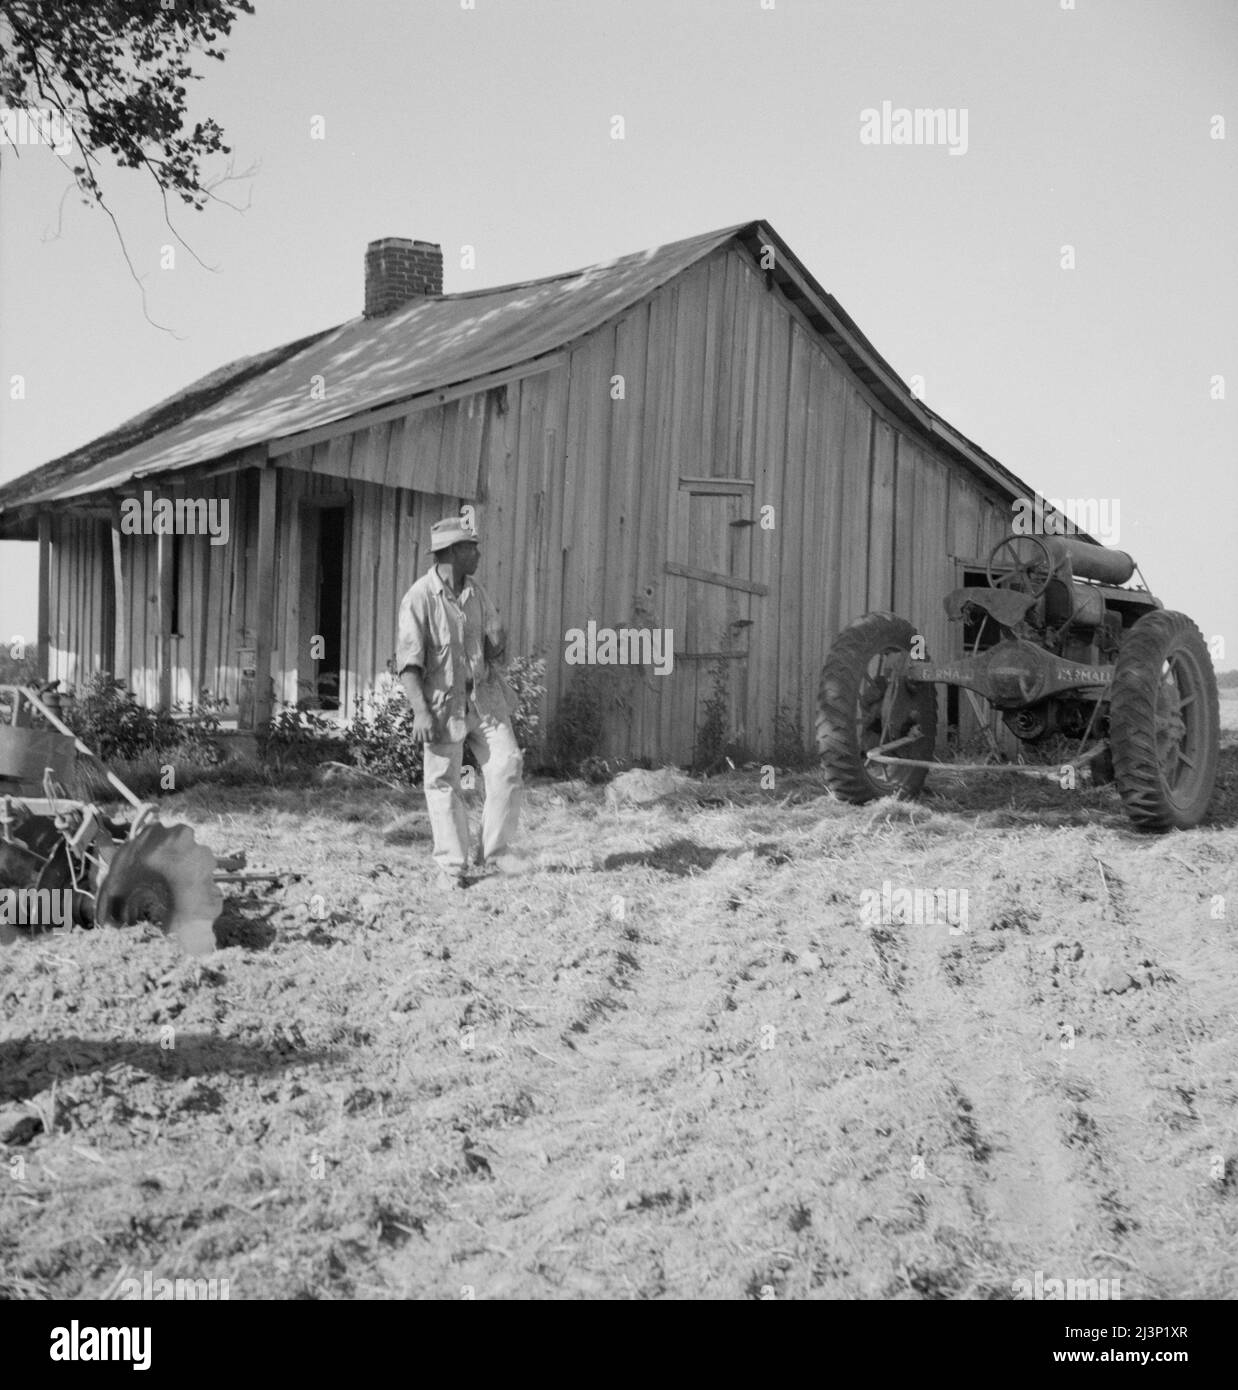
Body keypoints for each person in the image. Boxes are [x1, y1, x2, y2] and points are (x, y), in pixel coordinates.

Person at [395, 517, 524, 888]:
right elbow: (408, 663)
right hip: (441, 706)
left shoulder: (477, 593)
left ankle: (495, 854)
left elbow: (494, 649)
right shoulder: (419, 598)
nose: (479, 554)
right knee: (442, 782)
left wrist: (498, 639)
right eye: (472, 547)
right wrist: (420, 710)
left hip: (483, 699)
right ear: (452, 552)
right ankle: (452, 866)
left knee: (507, 764)